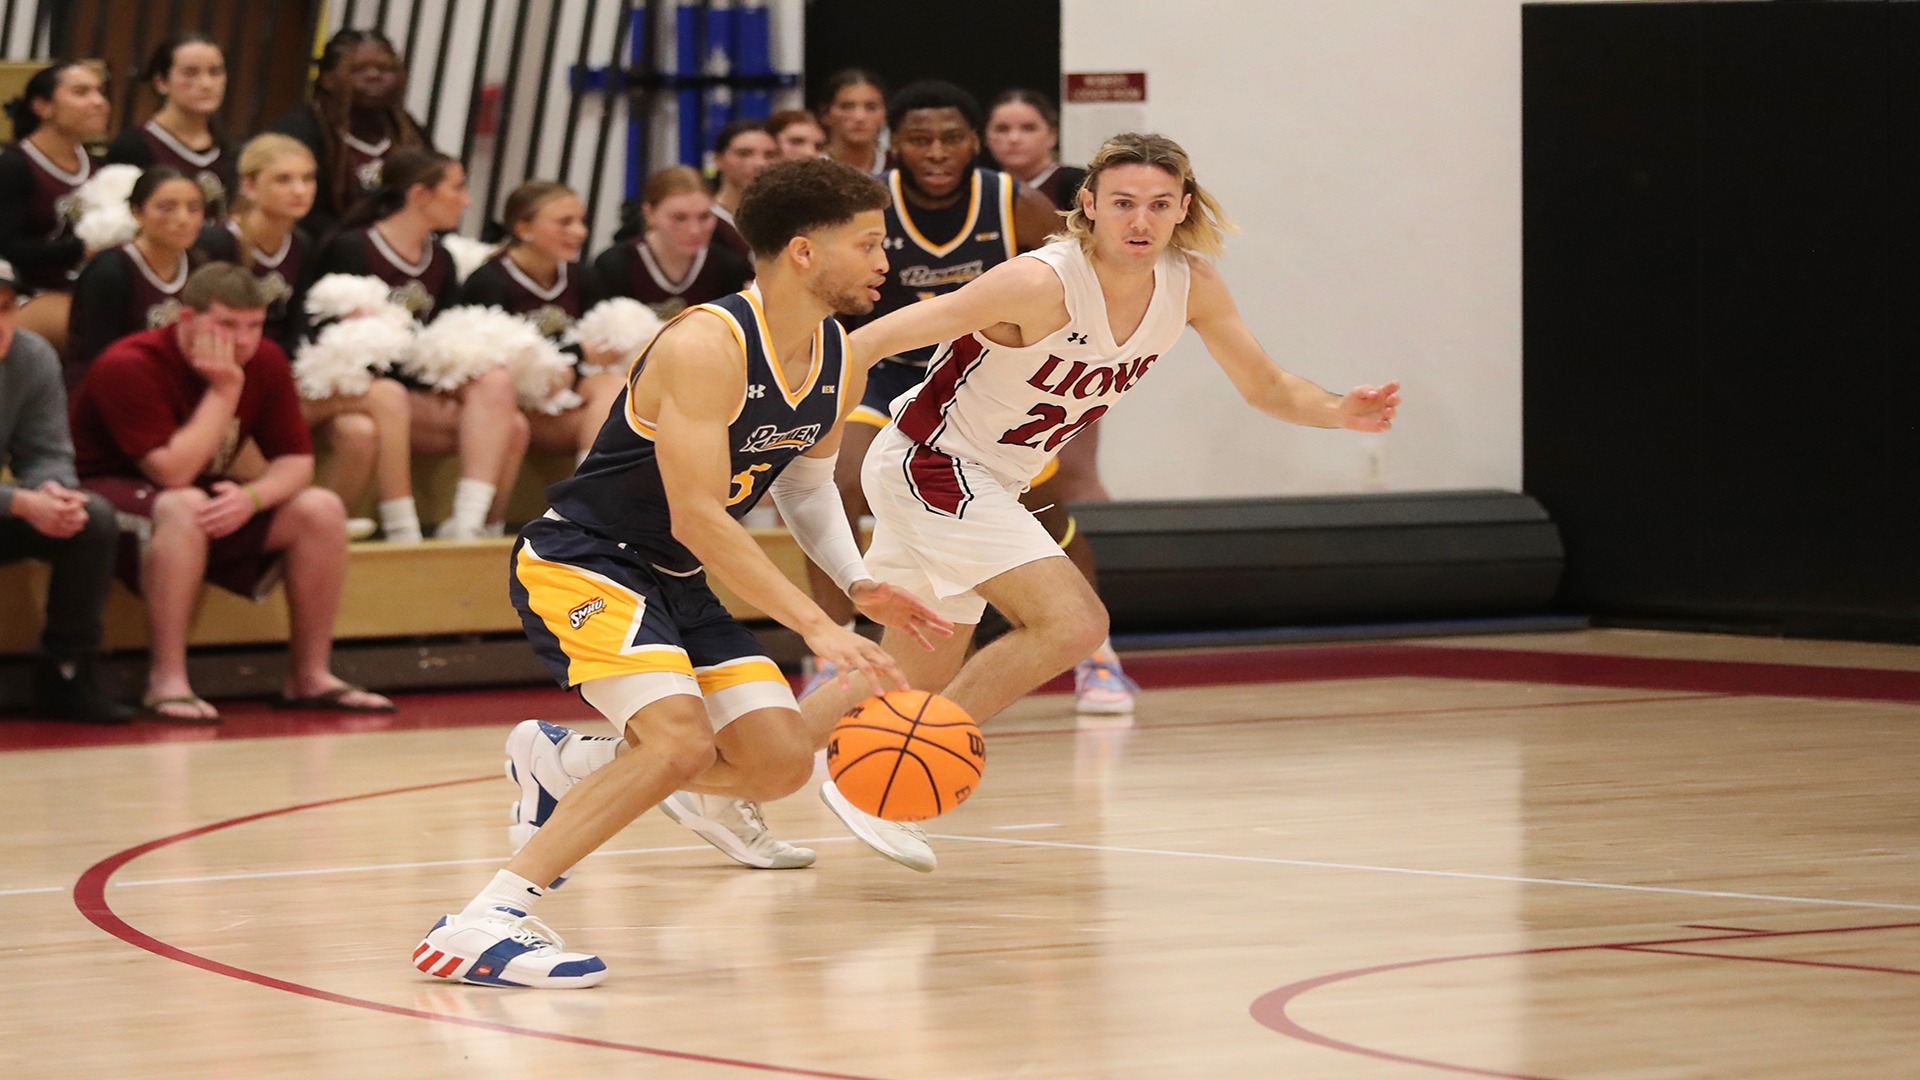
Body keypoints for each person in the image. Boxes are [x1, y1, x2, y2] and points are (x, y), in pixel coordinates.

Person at [794, 132, 1401, 872]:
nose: (1139, 221)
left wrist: (1343, 411)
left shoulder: (1192, 286)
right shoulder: (1039, 281)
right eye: (1121, 203)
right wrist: (796, 436)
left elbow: (1268, 387)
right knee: (1075, 623)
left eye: (1156, 205)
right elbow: (870, 342)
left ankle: (724, 777)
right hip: (935, 464)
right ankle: (876, 783)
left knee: (901, 672)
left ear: (1182, 209)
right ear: (1088, 204)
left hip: (987, 477)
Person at [412, 157, 950, 988]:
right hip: (586, 558)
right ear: (804, 253)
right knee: (677, 741)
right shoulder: (706, 343)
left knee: (777, 765)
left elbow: (803, 485)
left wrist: (857, 585)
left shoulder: (836, 358)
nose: (886, 261)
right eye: (869, 243)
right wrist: (814, 624)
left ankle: (571, 761)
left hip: (674, 576)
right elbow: (698, 512)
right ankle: (488, 918)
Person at [797, 81, 1135, 713]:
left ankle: (1098, 658)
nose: (936, 151)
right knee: (840, 480)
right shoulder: (871, 205)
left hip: (984, 380)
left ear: (974, 143)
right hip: (892, 368)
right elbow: (825, 290)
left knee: (1040, 500)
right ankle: (831, 647)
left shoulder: (1014, 202)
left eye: (952, 137)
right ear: (894, 145)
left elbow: (1078, 277)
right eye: (919, 139)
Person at [68, 263, 397, 722]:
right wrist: (224, 391)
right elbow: (172, 472)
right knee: (184, 504)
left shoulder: (265, 360)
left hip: (197, 499)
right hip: (106, 503)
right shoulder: (130, 363)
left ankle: (310, 676)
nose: (242, 341)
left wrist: (253, 498)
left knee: (320, 508)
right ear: (186, 319)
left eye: (254, 326)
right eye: (226, 325)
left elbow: (296, 462)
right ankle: (166, 681)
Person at [203, 134, 420, 542]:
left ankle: (320, 528)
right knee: (386, 396)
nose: (299, 190)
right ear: (249, 186)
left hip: (278, 382)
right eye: (283, 179)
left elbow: (299, 331)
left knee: (359, 431)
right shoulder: (219, 242)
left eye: (307, 179)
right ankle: (402, 527)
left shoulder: (301, 245)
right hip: (223, 388)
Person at [316, 149, 525, 540]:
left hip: (412, 391)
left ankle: (472, 525)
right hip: (360, 391)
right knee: (391, 395)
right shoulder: (353, 248)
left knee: (505, 407)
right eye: (457, 187)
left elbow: (440, 339)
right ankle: (402, 527)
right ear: (419, 195)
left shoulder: (441, 259)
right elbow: (323, 344)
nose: (467, 199)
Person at [0, 258, 134, 723]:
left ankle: (68, 673)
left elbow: (45, 451)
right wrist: (20, 501)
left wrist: (54, 492)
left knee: (90, 518)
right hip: (7, 503)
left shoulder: (31, 357)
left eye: (4, 308)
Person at [985, 89, 1112, 512]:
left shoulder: (1080, 185)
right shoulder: (981, 191)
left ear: (1051, 134)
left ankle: (1102, 566)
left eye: (1027, 128)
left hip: (1073, 339)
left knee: (1074, 472)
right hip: (1003, 344)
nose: (1014, 138)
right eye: (1002, 129)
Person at [457, 181, 620, 461]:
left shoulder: (583, 277)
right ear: (524, 229)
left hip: (565, 396)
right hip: (511, 404)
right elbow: (496, 362)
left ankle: (586, 500)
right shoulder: (489, 281)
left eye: (581, 221)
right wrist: (576, 353)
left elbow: (604, 349)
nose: (579, 232)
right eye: (565, 222)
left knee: (614, 386)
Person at [270, 29, 431, 241]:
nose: (374, 76)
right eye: (358, 69)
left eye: (385, 69)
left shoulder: (410, 132)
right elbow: (298, 213)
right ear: (328, 79)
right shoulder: (300, 131)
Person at [0, 60, 110, 358]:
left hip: (82, 289)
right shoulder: (14, 165)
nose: (99, 102)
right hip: (24, 293)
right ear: (42, 106)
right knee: (96, 327)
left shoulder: (100, 167)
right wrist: (81, 250)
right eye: (81, 92)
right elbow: (6, 247)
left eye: (100, 92)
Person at [66, 166, 205, 387]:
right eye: (166, 207)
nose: (183, 219)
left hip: (176, 386)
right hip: (113, 388)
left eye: (194, 208)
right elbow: (100, 358)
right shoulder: (110, 271)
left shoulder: (200, 264)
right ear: (136, 212)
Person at [593, 165, 753, 321]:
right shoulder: (615, 266)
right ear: (649, 214)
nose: (694, 230)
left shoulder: (729, 267)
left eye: (704, 217)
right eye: (679, 218)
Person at [105, 34, 235, 222]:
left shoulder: (230, 148)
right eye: (190, 73)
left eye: (215, 72)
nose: (206, 84)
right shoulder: (134, 146)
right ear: (161, 82)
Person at [708, 118, 777, 260]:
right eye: (744, 153)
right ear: (718, 159)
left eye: (769, 155)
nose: (760, 163)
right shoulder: (702, 219)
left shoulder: (784, 222)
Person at [817, 69, 887, 178]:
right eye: (847, 107)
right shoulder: (810, 172)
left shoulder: (900, 170)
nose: (859, 117)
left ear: (884, 114)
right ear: (826, 114)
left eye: (871, 107)